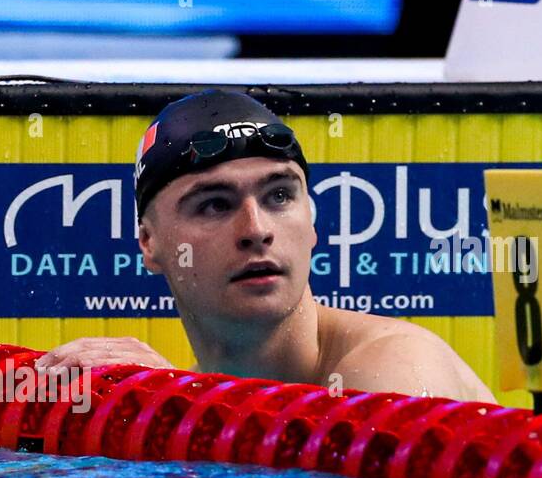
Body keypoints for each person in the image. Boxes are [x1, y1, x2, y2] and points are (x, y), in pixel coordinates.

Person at [34, 90, 495, 402]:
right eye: (214, 205)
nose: (256, 229)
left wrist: (181, 402)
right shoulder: (200, 396)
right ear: (149, 244)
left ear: (313, 222)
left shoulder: (390, 369)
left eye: (279, 196)